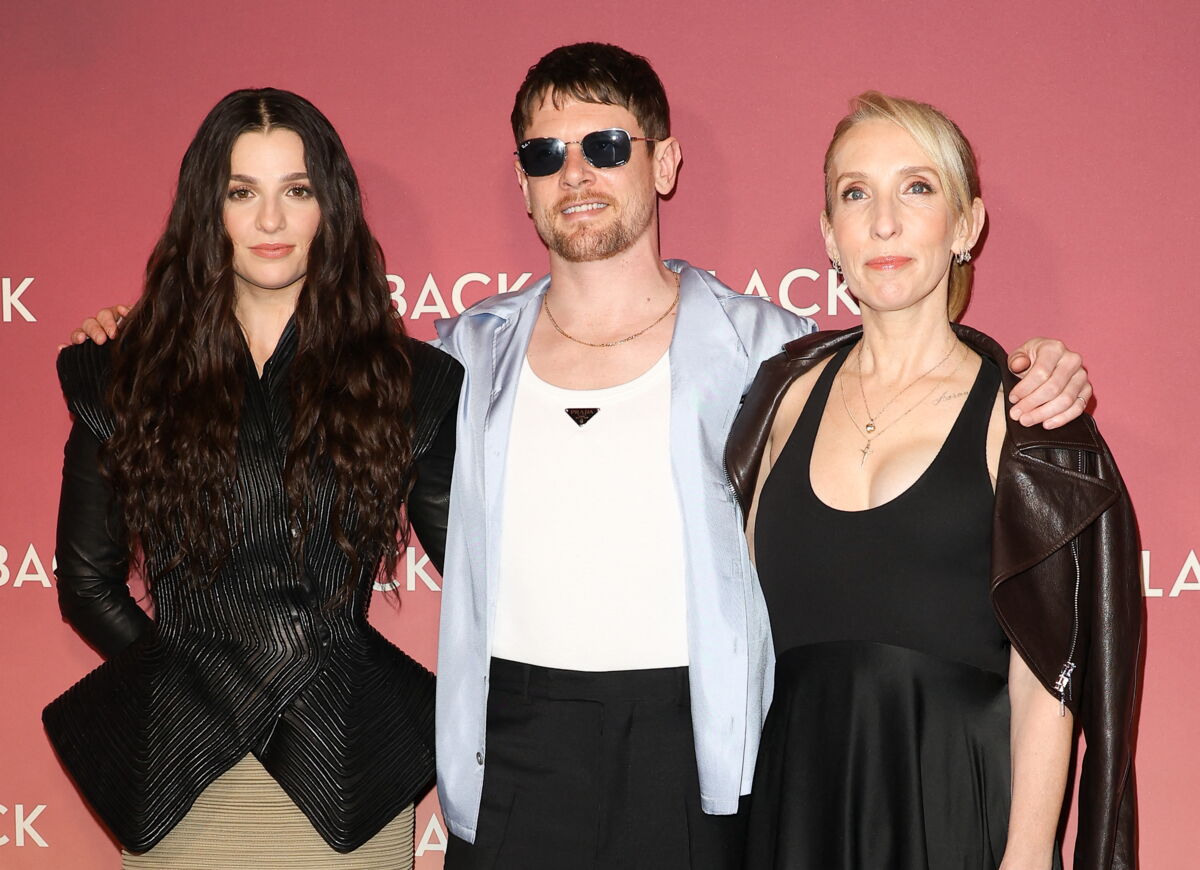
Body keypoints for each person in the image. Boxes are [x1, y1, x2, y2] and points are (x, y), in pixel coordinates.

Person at [70, 46, 1093, 869]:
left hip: (696, 752)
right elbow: (295, 385)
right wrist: (144, 342)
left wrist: (1030, 364)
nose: (577, 174)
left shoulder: (768, 349)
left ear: (664, 163)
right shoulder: (465, 354)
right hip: (511, 748)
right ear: (523, 186)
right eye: (545, 153)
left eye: (606, 145)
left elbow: (905, 357)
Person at [45, 88, 461, 869]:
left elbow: (477, 569)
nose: (271, 220)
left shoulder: (407, 382)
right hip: (182, 779)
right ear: (210, 210)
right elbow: (86, 586)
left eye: (296, 191)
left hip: (343, 773)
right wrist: (202, 694)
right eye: (243, 193)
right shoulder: (125, 374)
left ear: (330, 207)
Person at [725, 92, 1141, 869]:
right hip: (795, 809)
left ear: (966, 225)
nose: (884, 223)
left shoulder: (1023, 417)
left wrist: (1026, 855)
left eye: (916, 188)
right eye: (857, 194)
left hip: (956, 811)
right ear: (830, 233)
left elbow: (1044, 679)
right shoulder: (777, 402)